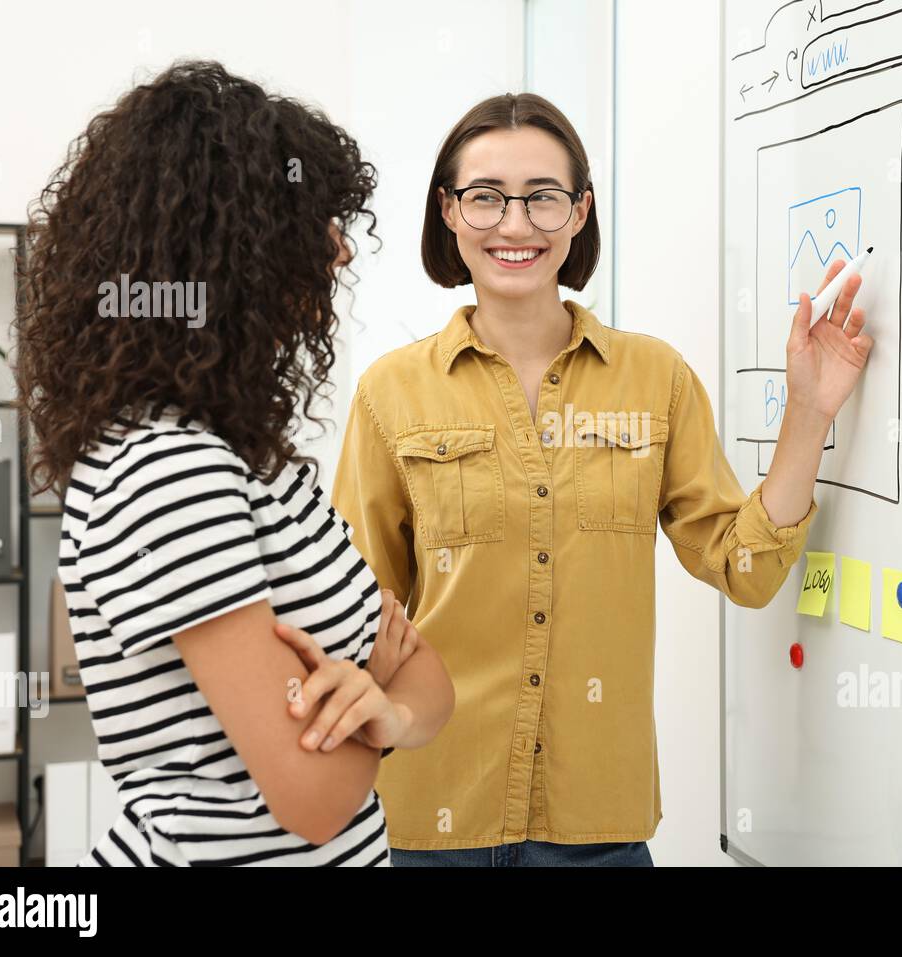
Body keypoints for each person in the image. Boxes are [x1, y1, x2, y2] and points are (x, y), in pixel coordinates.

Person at [332, 93, 872, 866]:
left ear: (580, 212)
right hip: (432, 822)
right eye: (485, 197)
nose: (515, 225)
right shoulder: (390, 393)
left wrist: (810, 415)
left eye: (543, 198)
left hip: (598, 833)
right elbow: (356, 612)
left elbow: (744, 569)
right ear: (448, 212)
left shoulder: (656, 379)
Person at [14, 60, 454, 866]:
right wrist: (384, 695)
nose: (341, 253)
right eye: (314, 223)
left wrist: (384, 710)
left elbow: (431, 679)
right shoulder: (169, 470)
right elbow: (312, 798)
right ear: (229, 251)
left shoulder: (255, 460)